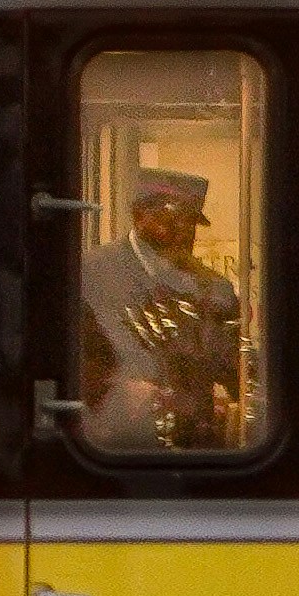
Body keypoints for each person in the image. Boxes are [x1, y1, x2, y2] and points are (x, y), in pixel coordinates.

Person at [78, 168, 242, 453]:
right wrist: (119, 388)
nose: (182, 230)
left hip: (196, 453)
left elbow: (234, 370)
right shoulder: (91, 273)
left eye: (190, 221)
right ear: (139, 214)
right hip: (115, 450)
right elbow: (68, 357)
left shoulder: (215, 288)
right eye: (170, 217)